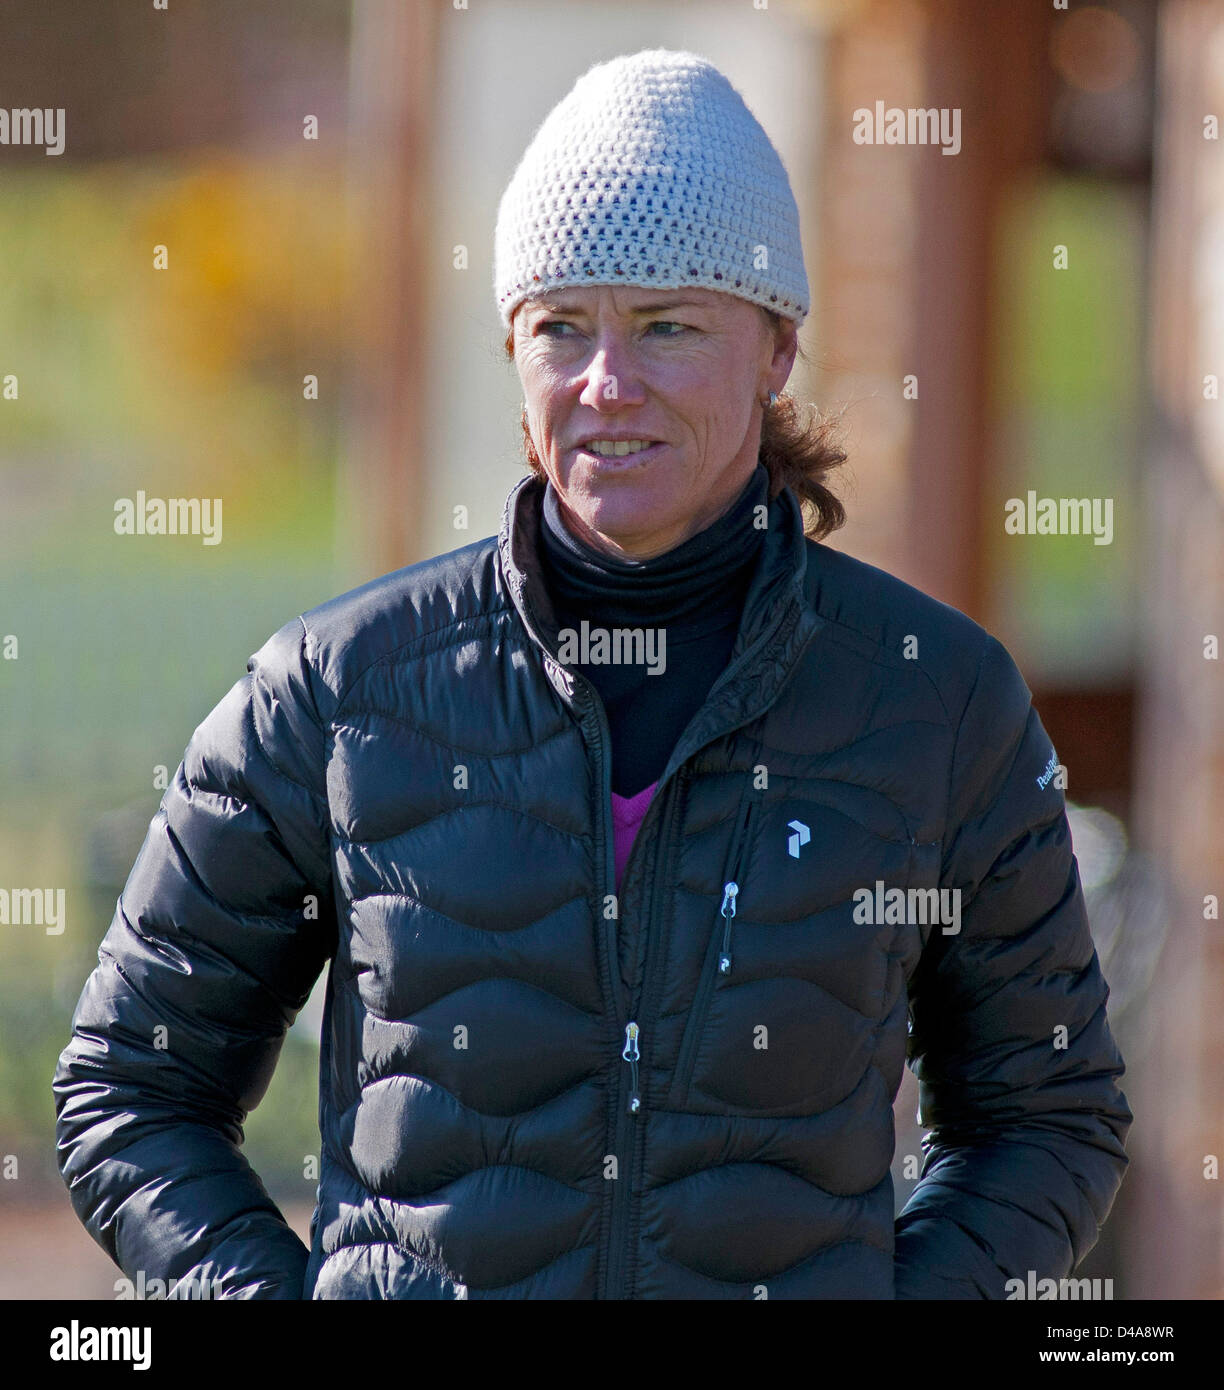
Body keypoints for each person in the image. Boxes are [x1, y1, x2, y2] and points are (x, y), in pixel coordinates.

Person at [54, 48, 1131, 1300]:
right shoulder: (340, 692)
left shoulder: (934, 701)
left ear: (777, 348)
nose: (606, 385)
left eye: (668, 326)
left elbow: (1048, 1113)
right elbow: (131, 1087)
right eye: (562, 327)